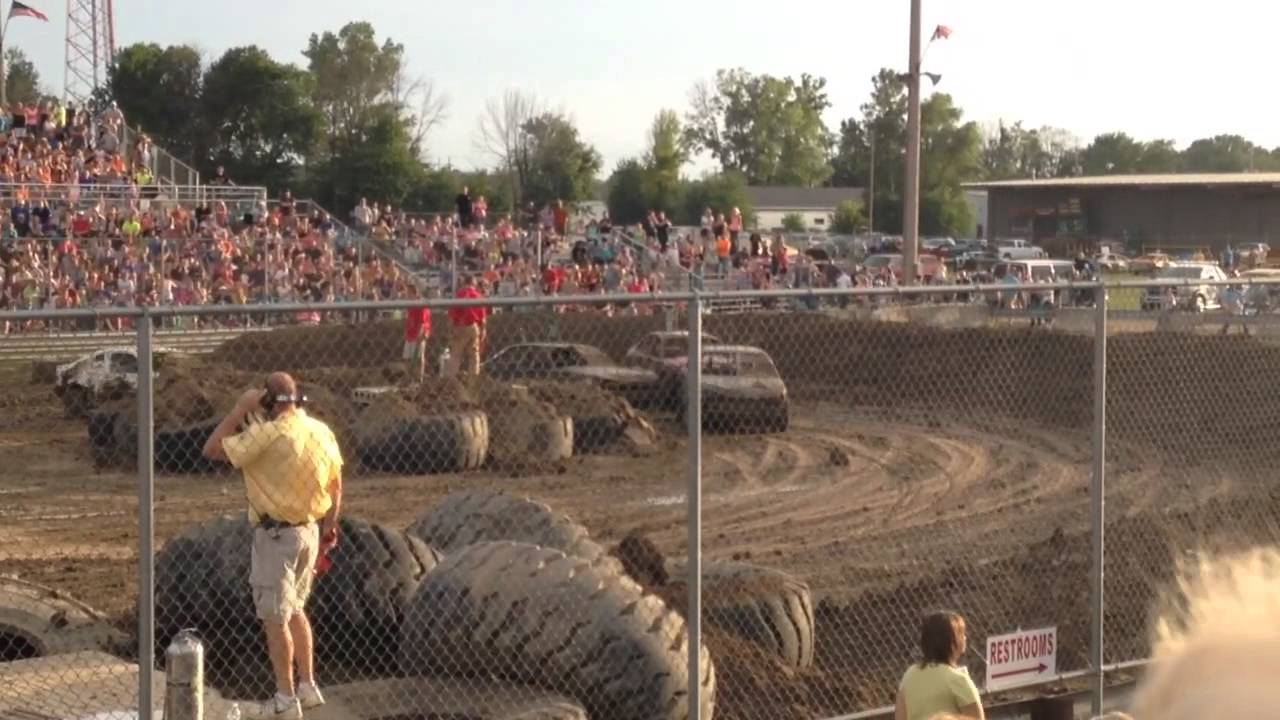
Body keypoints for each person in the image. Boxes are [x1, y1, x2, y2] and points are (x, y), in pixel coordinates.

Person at [201, 373, 344, 720]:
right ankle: (307, 686)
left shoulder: (266, 434)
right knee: (295, 608)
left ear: (266, 401)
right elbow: (337, 484)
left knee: (274, 617)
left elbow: (212, 448)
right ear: (298, 398)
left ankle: (285, 697)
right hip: (309, 530)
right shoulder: (319, 431)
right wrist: (330, 529)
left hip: (276, 536)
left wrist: (239, 410)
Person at [894, 611, 984, 720]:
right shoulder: (957, 679)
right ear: (953, 642)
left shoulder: (909, 675)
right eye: (962, 633)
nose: (965, 638)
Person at [448, 275, 488, 376]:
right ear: (473, 283)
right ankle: (473, 379)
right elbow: (482, 318)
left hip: (460, 326)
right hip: (473, 326)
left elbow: (452, 315)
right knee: (474, 356)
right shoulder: (477, 295)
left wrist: (451, 329)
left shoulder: (459, 295)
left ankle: (453, 379)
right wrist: (483, 330)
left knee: (456, 355)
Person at [403, 284, 432, 382]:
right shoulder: (410, 305)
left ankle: (420, 378)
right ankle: (409, 378)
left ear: (413, 293)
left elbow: (422, 322)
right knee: (407, 358)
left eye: (408, 293)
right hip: (410, 334)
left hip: (418, 334)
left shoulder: (421, 305)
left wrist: (419, 335)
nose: (406, 295)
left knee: (419, 357)